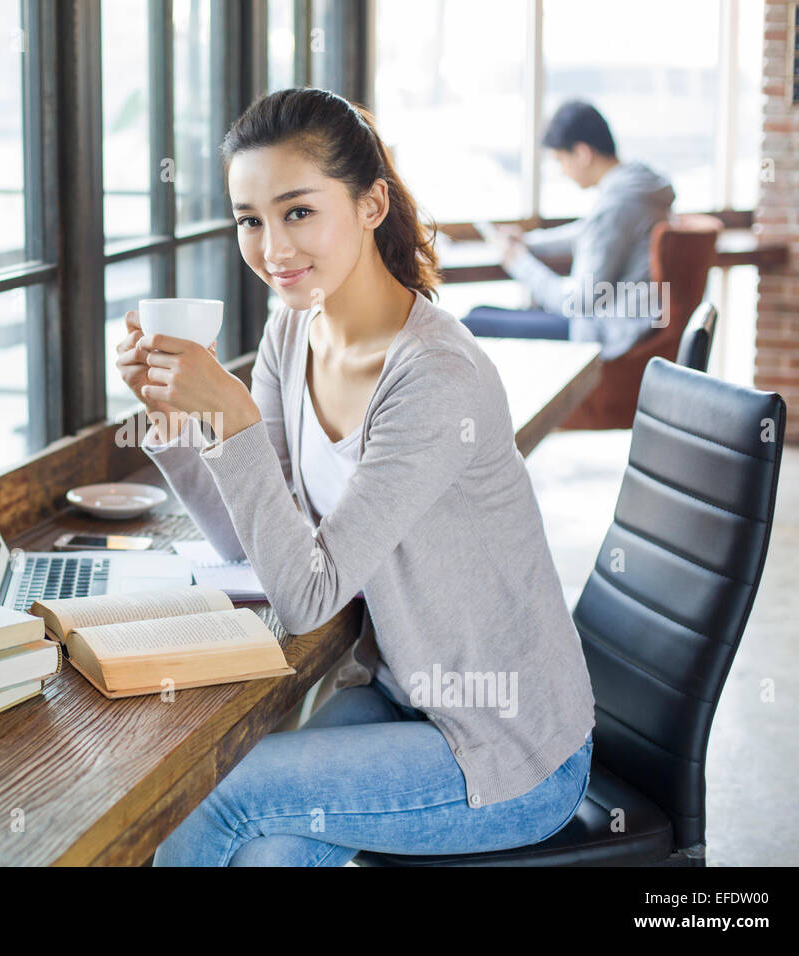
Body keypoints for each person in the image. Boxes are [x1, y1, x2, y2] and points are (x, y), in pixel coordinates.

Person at [112, 87, 595, 867]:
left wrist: (230, 413)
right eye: (250, 219)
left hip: (506, 748)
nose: (272, 248)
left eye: (298, 211)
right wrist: (174, 416)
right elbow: (249, 538)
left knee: (217, 790)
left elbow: (307, 599)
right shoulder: (291, 327)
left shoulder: (436, 376)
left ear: (372, 204)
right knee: (269, 853)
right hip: (401, 702)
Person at [462, 100, 676, 360]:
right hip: (628, 324)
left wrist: (517, 261)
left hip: (603, 333)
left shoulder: (618, 204)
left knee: (471, 323)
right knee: (478, 313)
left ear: (582, 154)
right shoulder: (637, 188)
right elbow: (588, 232)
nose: (561, 171)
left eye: (560, 160)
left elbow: (579, 303)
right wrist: (528, 242)